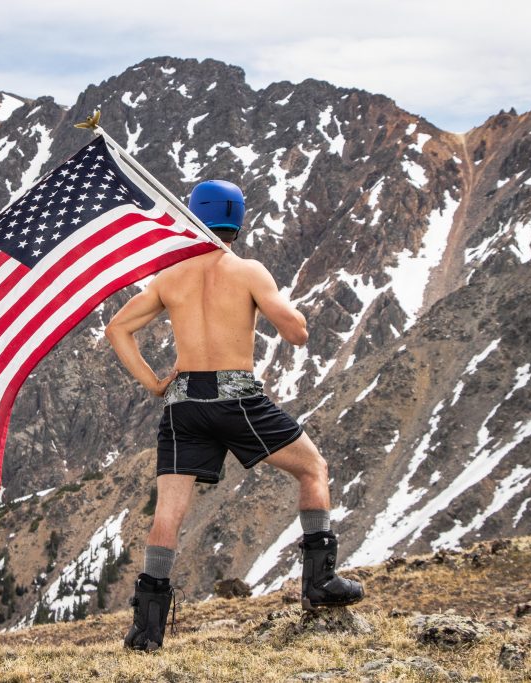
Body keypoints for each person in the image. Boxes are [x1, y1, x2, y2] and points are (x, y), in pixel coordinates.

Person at [105, 179, 364, 652]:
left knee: (168, 513)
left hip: (183, 403)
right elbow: (298, 334)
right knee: (313, 470)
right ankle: (320, 584)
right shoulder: (248, 270)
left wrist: (153, 382)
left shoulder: (170, 276)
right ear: (237, 221)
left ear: (194, 216)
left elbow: (117, 327)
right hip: (238, 399)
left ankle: (146, 632)